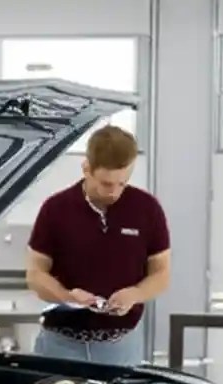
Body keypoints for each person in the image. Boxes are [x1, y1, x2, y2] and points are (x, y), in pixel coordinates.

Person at [24, 125, 171, 366]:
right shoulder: (55, 209)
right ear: (86, 169)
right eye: (106, 183)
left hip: (122, 348)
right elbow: (36, 275)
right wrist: (67, 297)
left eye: (122, 183)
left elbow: (162, 273)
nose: (114, 192)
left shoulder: (147, 210)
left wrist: (135, 294)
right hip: (60, 347)